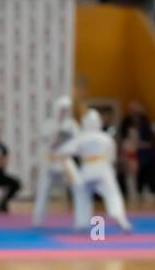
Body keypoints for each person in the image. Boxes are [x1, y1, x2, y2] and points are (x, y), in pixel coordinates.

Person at [58, 109, 131, 232]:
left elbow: (63, 152)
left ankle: (82, 223)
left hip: (87, 169)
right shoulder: (106, 138)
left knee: (82, 195)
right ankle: (119, 216)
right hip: (103, 168)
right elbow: (112, 158)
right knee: (112, 194)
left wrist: (69, 168)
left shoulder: (81, 138)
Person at [32, 95, 79, 225]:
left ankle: (82, 221)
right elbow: (43, 144)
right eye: (61, 109)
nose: (64, 111)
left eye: (66, 109)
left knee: (79, 187)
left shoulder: (72, 125)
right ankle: (37, 221)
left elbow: (78, 143)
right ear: (56, 109)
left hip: (65, 161)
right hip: (50, 161)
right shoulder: (48, 124)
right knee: (43, 191)